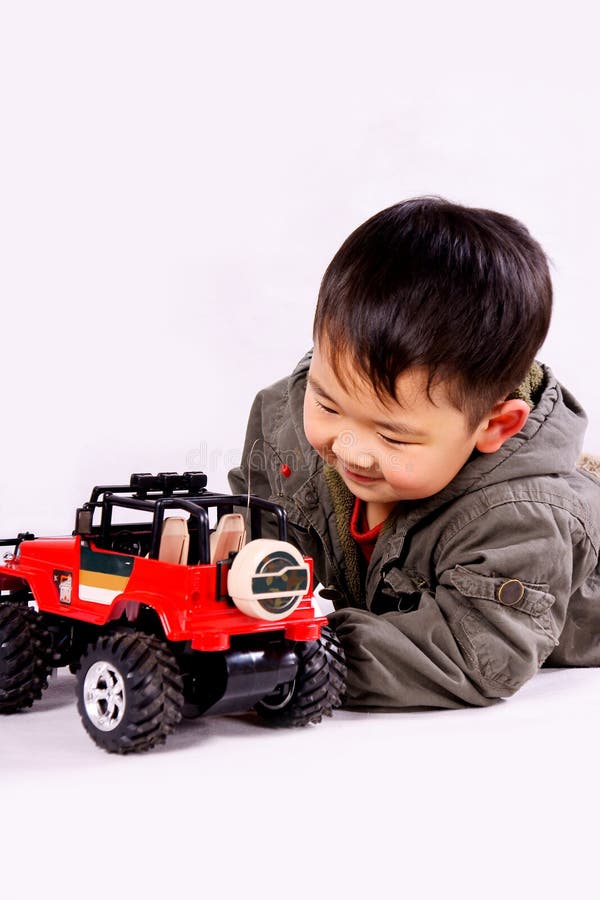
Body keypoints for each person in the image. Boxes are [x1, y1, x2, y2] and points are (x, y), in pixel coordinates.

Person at [229, 197, 600, 709]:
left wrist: (311, 655)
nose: (351, 449)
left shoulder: (520, 517)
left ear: (494, 425)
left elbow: (477, 653)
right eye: (329, 404)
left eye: (393, 437)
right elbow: (257, 533)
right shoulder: (284, 420)